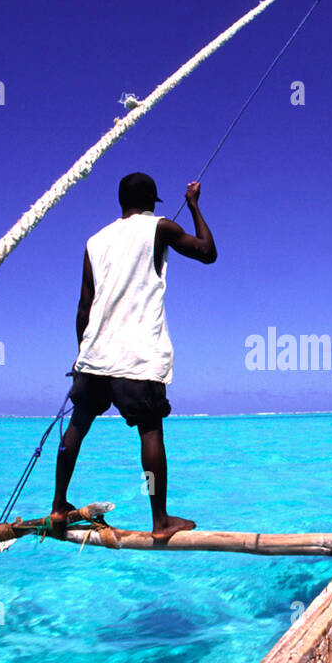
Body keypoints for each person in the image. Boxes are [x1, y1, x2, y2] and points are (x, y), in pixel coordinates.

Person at [51, 172, 216, 540]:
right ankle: (160, 521)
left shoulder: (95, 241)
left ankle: (59, 505)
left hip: (95, 354)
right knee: (150, 430)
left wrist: (82, 353)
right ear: (153, 201)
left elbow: (84, 306)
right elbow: (208, 252)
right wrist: (193, 205)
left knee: (77, 425)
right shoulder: (160, 227)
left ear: (120, 202)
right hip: (137, 355)